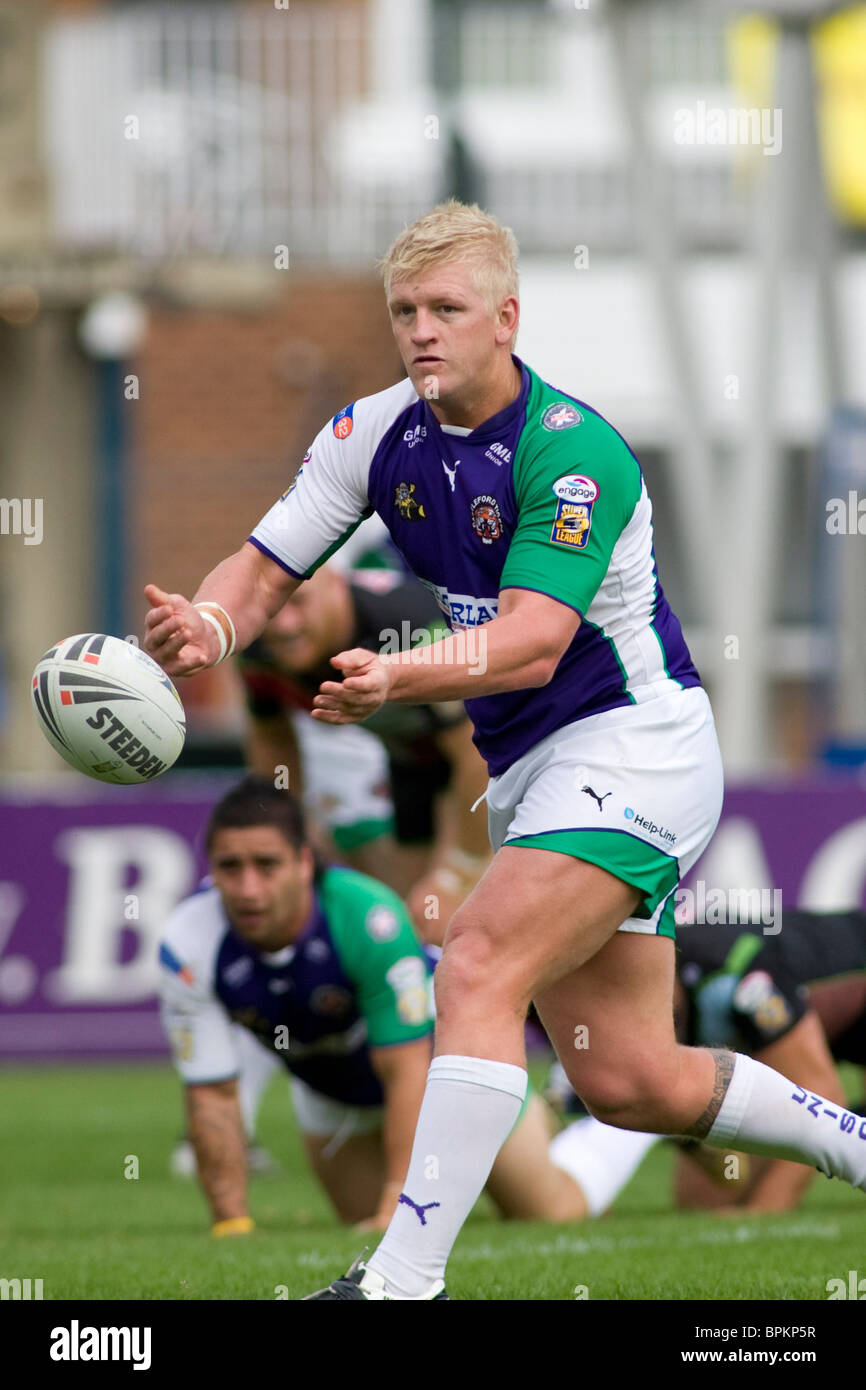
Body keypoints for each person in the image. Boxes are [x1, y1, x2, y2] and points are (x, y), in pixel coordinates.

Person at [144, 201, 866, 1300]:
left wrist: (399, 672)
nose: (421, 330)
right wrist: (209, 626)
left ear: (505, 319)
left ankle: (401, 1280)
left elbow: (531, 640)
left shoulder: (574, 455)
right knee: (630, 1081)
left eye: (446, 308)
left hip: (634, 746)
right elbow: (261, 566)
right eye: (403, 311)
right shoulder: (367, 436)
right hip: (540, 774)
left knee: (473, 960)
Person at [159, 775, 590, 1233]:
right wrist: (232, 1224)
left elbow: (406, 1072)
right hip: (332, 1096)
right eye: (230, 867)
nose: (248, 888)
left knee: (545, 1214)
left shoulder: (369, 918)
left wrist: (396, 1203)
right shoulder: (188, 943)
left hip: (441, 1075)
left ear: (304, 862)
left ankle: (607, 1126)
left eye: (266, 865)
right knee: (358, 1227)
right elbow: (212, 1092)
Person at [549, 907, 866, 1216]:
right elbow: (721, 1182)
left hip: (848, 994)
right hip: (821, 1034)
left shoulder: (734, 974)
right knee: (701, 1201)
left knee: (820, 1120)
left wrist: (763, 1212)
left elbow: (821, 1092)